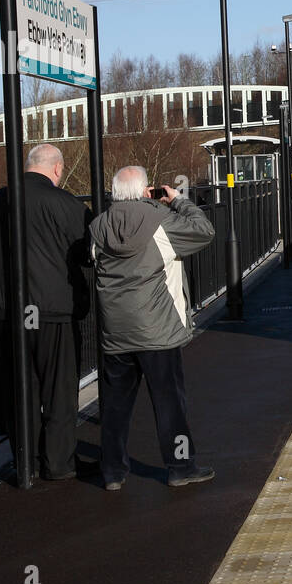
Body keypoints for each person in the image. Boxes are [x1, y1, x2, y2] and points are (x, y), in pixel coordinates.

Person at [90, 166, 216, 490]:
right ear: (147, 191)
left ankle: (113, 472)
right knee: (169, 402)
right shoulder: (160, 221)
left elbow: (89, 259)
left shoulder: (97, 226)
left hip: (115, 330)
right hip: (157, 329)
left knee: (115, 406)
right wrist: (178, 201)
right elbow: (204, 231)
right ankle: (180, 467)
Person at [0, 143, 93, 480]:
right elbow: (88, 253)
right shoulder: (66, 203)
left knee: (20, 389)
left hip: (7, 312)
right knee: (59, 390)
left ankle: (25, 462)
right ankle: (59, 464)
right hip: (53, 310)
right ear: (57, 169)